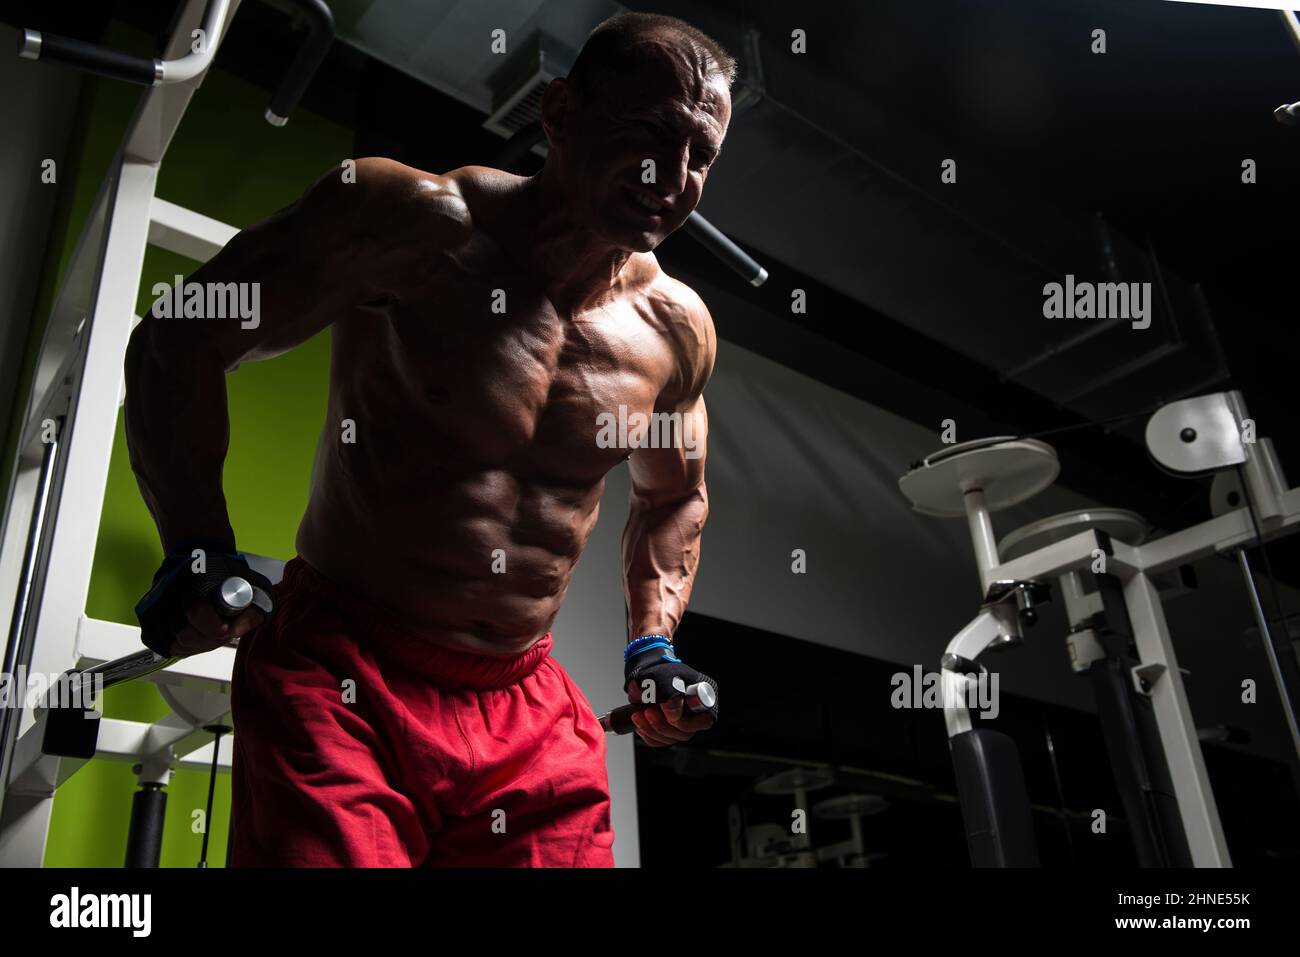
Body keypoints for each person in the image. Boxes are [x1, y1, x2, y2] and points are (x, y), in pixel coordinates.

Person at [123, 11, 731, 867]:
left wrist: (654, 643)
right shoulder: (411, 221)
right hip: (345, 672)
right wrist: (193, 540)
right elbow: (180, 337)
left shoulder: (675, 330)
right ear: (559, 114)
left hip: (526, 705)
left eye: (701, 155)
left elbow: (675, 494)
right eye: (649, 136)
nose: (673, 177)